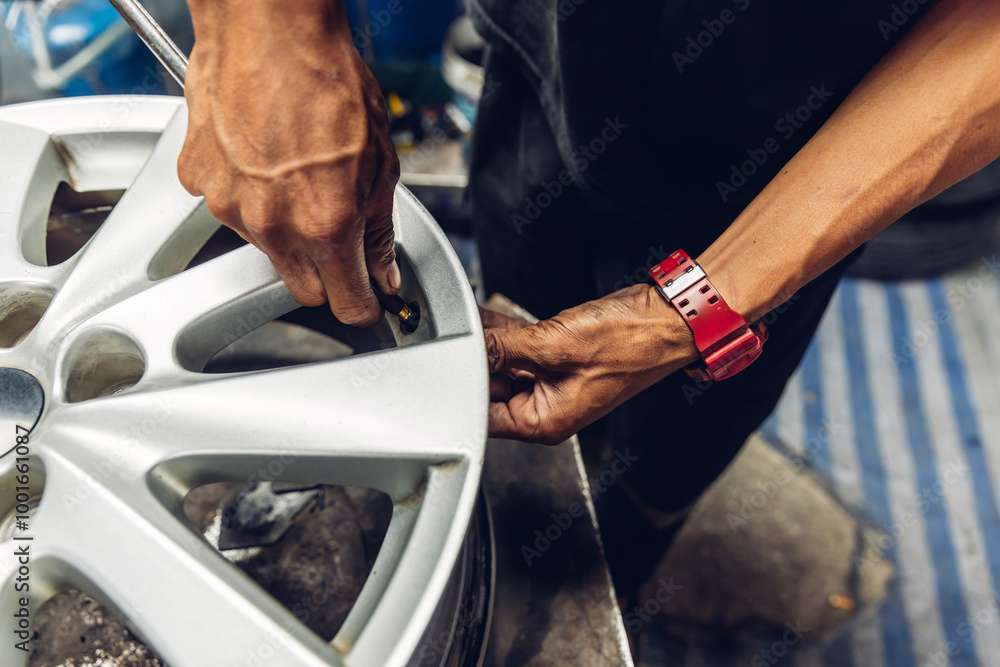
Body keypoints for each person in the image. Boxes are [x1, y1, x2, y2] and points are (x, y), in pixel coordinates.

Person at [177, 0, 1000, 608]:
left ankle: (622, 566)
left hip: (807, 152)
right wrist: (263, 29)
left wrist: (698, 310)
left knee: (676, 445)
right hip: (541, 57)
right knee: (516, 300)